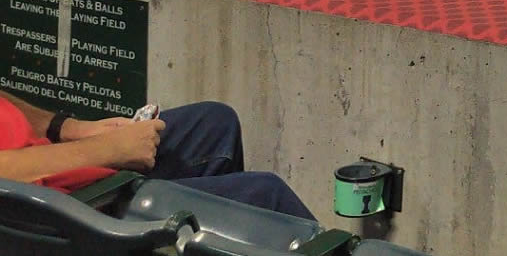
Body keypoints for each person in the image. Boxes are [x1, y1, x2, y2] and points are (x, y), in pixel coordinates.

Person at [0, 91, 314, 219]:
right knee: (264, 196)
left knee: (214, 125)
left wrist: (67, 128)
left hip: (48, 170)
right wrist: (106, 151)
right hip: (51, 213)